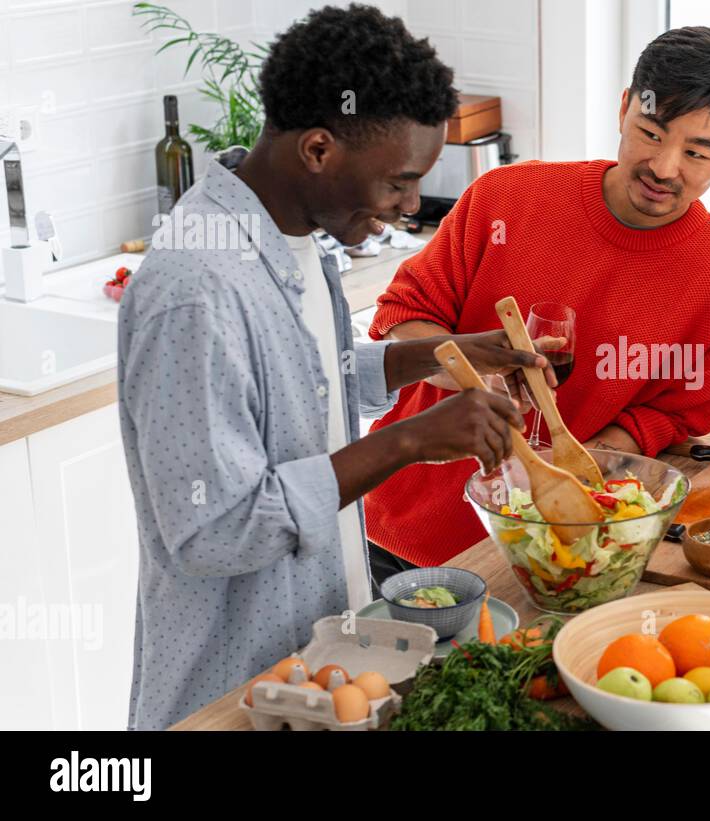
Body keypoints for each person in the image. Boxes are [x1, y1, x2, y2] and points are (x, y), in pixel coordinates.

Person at [117, 4, 554, 730]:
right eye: (399, 183)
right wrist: (409, 441)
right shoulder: (195, 289)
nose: (411, 205)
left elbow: (303, 379)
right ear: (318, 149)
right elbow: (212, 529)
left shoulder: (298, 237)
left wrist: (436, 357)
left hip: (318, 661)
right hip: (232, 687)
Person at [363, 26, 710, 573]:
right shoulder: (503, 198)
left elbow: (675, 413)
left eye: (697, 152)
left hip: (556, 551)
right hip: (399, 535)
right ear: (624, 108)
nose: (664, 167)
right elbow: (402, 318)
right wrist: (469, 377)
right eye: (650, 133)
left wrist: (590, 459)